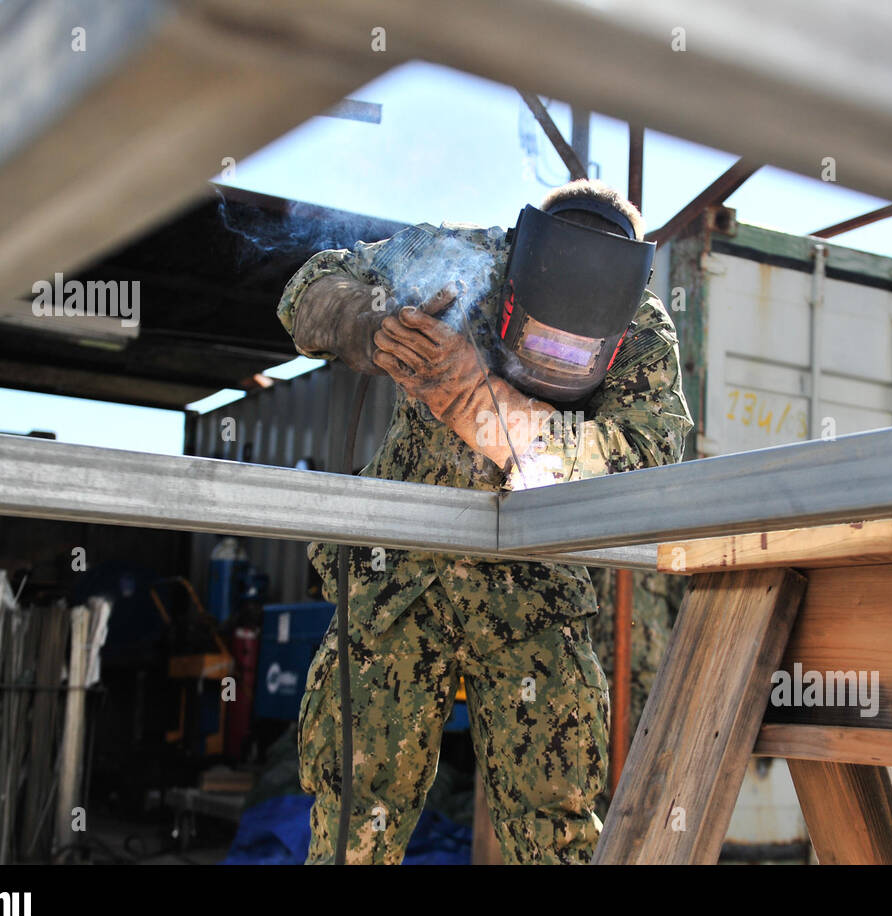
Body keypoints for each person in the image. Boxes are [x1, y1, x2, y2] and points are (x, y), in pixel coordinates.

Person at [276, 180, 692, 864]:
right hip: (398, 579)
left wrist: (481, 401)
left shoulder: (642, 330)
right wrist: (368, 327)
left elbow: (641, 462)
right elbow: (311, 285)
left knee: (555, 825)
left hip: (534, 596)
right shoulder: (461, 256)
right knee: (357, 813)